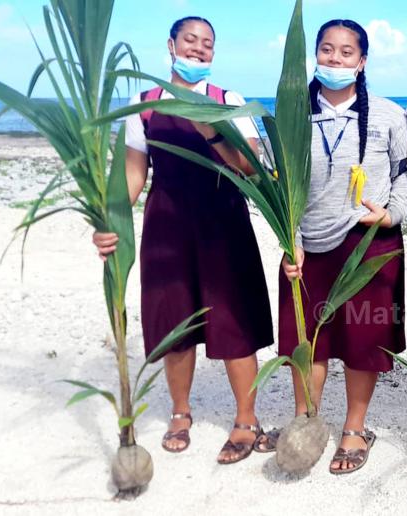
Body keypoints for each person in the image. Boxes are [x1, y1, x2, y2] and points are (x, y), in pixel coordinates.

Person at [92, 16, 275, 464]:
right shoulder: (145, 102)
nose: (198, 49)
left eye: (207, 44)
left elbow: (248, 165)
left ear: (214, 53)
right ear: (171, 46)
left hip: (223, 221)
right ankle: (180, 412)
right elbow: (135, 171)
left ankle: (246, 419)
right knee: (176, 320)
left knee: (232, 319)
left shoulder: (227, 100)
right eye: (190, 40)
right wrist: (110, 220)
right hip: (167, 222)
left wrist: (210, 126)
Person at [278, 19, 407, 475]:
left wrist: (392, 213)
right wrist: (289, 241)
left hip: (368, 244)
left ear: (362, 60)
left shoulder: (390, 115)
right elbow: (282, 186)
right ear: (315, 56)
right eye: (327, 50)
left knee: (360, 340)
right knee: (306, 339)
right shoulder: (291, 115)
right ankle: (306, 421)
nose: (335, 59)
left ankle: (355, 427)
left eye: (346, 52)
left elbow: (405, 174)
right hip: (306, 247)